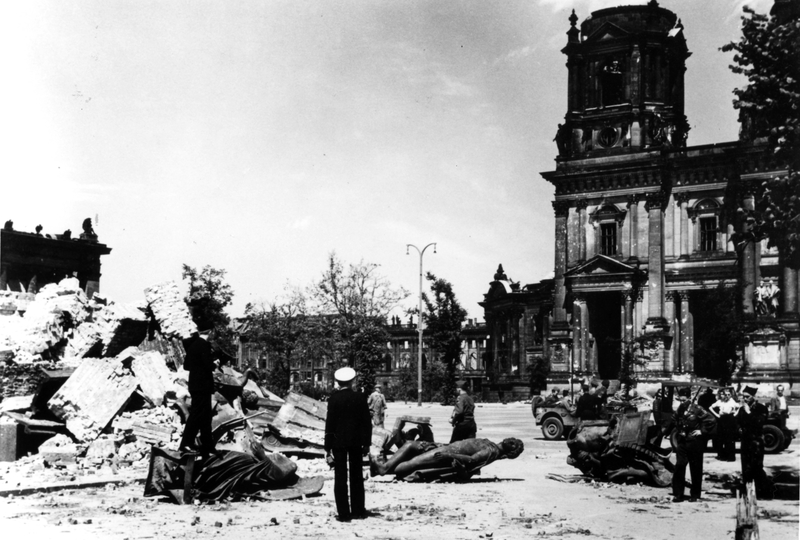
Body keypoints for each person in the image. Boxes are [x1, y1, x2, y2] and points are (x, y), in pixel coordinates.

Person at [324, 367, 373, 522]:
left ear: (338, 382)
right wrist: (366, 443)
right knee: (357, 476)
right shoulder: (360, 397)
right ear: (352, 381)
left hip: (338, 442)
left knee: (340, 477)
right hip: (356, 442)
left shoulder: (333, 399)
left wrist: (327, 447)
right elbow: (367, 422)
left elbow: (330, 424)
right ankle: (358, 510)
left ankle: (344, 514)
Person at [370, 437, 524, 481]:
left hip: (446, 453)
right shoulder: (492, 447)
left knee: (413, 463)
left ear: (510, 453)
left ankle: (383, 469)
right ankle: (383, 468)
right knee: (411, 446)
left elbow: (470, 460)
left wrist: (448, 455)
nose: (512, 441)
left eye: (513, 444)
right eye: (514, 440)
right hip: (446, 448)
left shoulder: (491, 451)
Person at [671, 386, 716, 503]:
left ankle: (695, 494)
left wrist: (702, 431)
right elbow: (674, 419)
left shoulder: (698, 409)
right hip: (682, 441)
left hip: (695, 442)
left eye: (684, 400)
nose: (682, 402)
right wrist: (678, 428)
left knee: (695, 468)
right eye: (680, 400)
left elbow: (711, 420)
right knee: (680, 466)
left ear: (690, 398)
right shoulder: (679, 409)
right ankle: (678, 494)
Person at [179, 328, 217, 458]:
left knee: (204, 416)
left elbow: (186, 366)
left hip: (195, 385)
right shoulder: (205, 345)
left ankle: (207, 445)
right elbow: (207, 365)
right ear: (211, 332)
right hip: (203, 386)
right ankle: (186, 443)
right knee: (198, 415)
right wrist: (214, 363)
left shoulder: (193, 345)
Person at [737, 386, 774, 499]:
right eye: (743, 397)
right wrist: (739, 428)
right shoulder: (742, 408)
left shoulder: (761, 408)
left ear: (753, 397)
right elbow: (738, 421)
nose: (745, 399)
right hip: (745, 441)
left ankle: (761, 491)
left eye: (747, 397)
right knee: (745, 467)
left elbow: (759, 422)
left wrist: (749, 413)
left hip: (756, 442)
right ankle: (747, 491)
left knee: (756, 466)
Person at [710, 389, 739, 461]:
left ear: (731, 395)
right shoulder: (720, 401)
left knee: (729, 439)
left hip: (729, 419)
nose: (727, 396)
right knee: (721, 438)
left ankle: (731, 457)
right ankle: (722, 456)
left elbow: (739, 407)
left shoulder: (732, 401)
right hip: (722, 419)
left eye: (729, 395)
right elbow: (710, 407)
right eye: (726, 394)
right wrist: (717, 415)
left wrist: (735, 414)